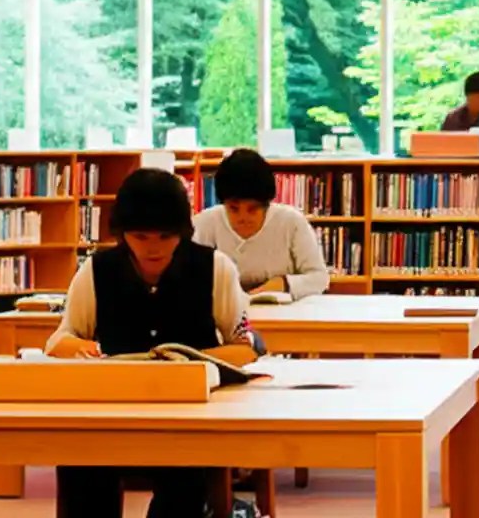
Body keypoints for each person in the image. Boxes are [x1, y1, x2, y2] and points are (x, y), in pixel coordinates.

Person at [45, 168, 264, 518]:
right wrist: (84, 349)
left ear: (182, 232)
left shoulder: (215, 268)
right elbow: (60, 339)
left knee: (185, 488)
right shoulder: (97, 270)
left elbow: (246, 345)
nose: (153, 247)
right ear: (122, 234)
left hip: (190, 414)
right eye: (141, 235)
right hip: (112, 411)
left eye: (165, 236)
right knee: (80, 466)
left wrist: (190, 359)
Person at [192, 149, 330, 300]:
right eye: (233, 208)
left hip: (282, 315)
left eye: (252, 209)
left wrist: (284, 284)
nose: (243, 217)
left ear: (267, 205)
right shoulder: (204, 224)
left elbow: (320, 278)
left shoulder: (292, 222)